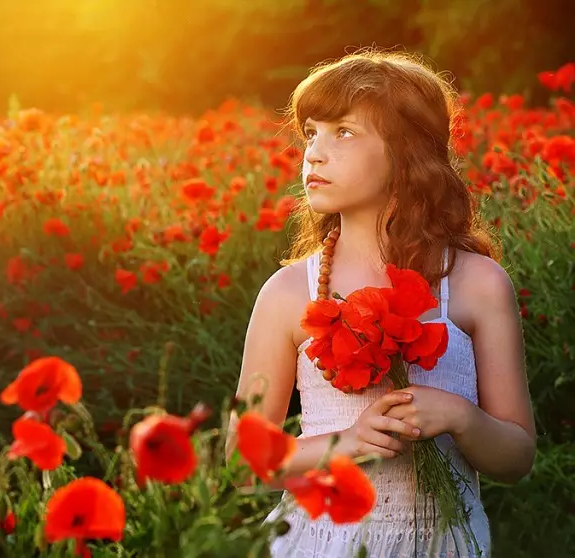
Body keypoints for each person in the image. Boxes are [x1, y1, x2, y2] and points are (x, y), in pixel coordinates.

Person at [227, 50, 536, 557]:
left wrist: (462, 417)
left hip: (445, 543)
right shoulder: (288, 293)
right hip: (321, 542)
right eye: (311, 133)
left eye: (343, 132)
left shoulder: (477, 284)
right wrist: (346, 443)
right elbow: (240, 462)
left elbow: (517, 458)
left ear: (408, 150)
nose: (315, 153)